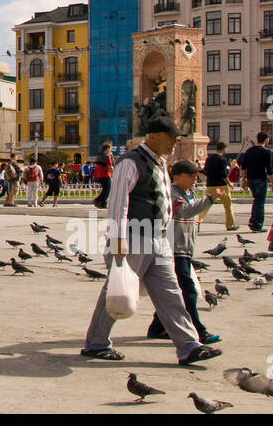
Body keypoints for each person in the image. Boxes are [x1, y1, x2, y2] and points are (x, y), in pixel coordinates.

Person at [80, 116, 221, 366]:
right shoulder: (131, 162)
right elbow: (118, 202)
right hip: (134, 237)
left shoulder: (159, 162)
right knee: (116, 293)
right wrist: (118, 239)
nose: (174, 145)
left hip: (158, 239)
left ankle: (189, 345)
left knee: (170, 293)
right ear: (154, 136)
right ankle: (96, 343)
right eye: (170, 139)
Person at [145, 159, 220, 345]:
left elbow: (193, 217)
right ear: (177, 177)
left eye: (197, 175)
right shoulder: (172, 194)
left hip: (185, 249)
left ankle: (157, 327)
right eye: (191, 176)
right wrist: (209, 200)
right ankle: (197, 330)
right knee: (188, 291)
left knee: (171, 292)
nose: (195, 179)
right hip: (174, 250)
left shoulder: (190, 193)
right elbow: (185, 212)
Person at [199, 140, 237, 230]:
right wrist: (230, 183)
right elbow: (223, 175)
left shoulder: (209, 159)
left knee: (206, 206)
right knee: (228, 206)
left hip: (210, 185)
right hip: (221, 186)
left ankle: (197, 222)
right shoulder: (223, 159)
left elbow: (206, 171)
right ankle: (230, 225)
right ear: (224, 149)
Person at [239, 132, 273, 232]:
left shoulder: (249, 151)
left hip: (251, 179)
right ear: (266, 139)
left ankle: (253, 221)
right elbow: (269, 169)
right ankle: (257, 225)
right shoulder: (266, 152)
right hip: (261, 179)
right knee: (260, 202)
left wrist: (244, 180)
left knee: (256, 200)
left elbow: (243, 167)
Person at [92, 142, 114, 209]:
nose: (111, 150)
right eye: (110, 148)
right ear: (107, 149)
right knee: (107, 190)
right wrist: (114, 174)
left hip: (98, 175)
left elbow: (95, 165)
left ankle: (99, 201)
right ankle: (101, 202)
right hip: (106, 175)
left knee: (105, 190)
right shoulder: (107, 157)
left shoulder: (98, 157)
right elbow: (110, 167)